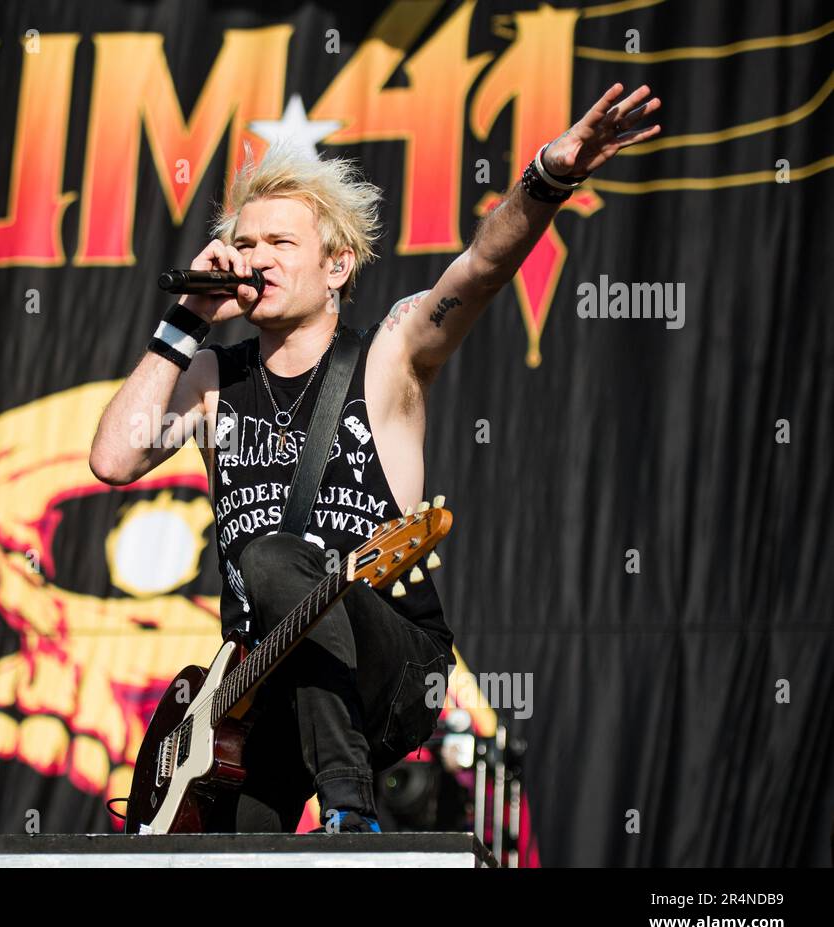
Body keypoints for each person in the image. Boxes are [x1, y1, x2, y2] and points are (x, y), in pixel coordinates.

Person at [91, 83, 661, 832]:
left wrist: (550, 176)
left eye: (280, 243)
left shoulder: (390, 356)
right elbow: (113, 457)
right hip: (265, 681)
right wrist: (189, 317)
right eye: (247, 243)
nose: (256, 257)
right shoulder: (213, 379)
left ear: (336, 267)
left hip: (391, 662)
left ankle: (351, 815)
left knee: (271, 560)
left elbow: (479, 269)